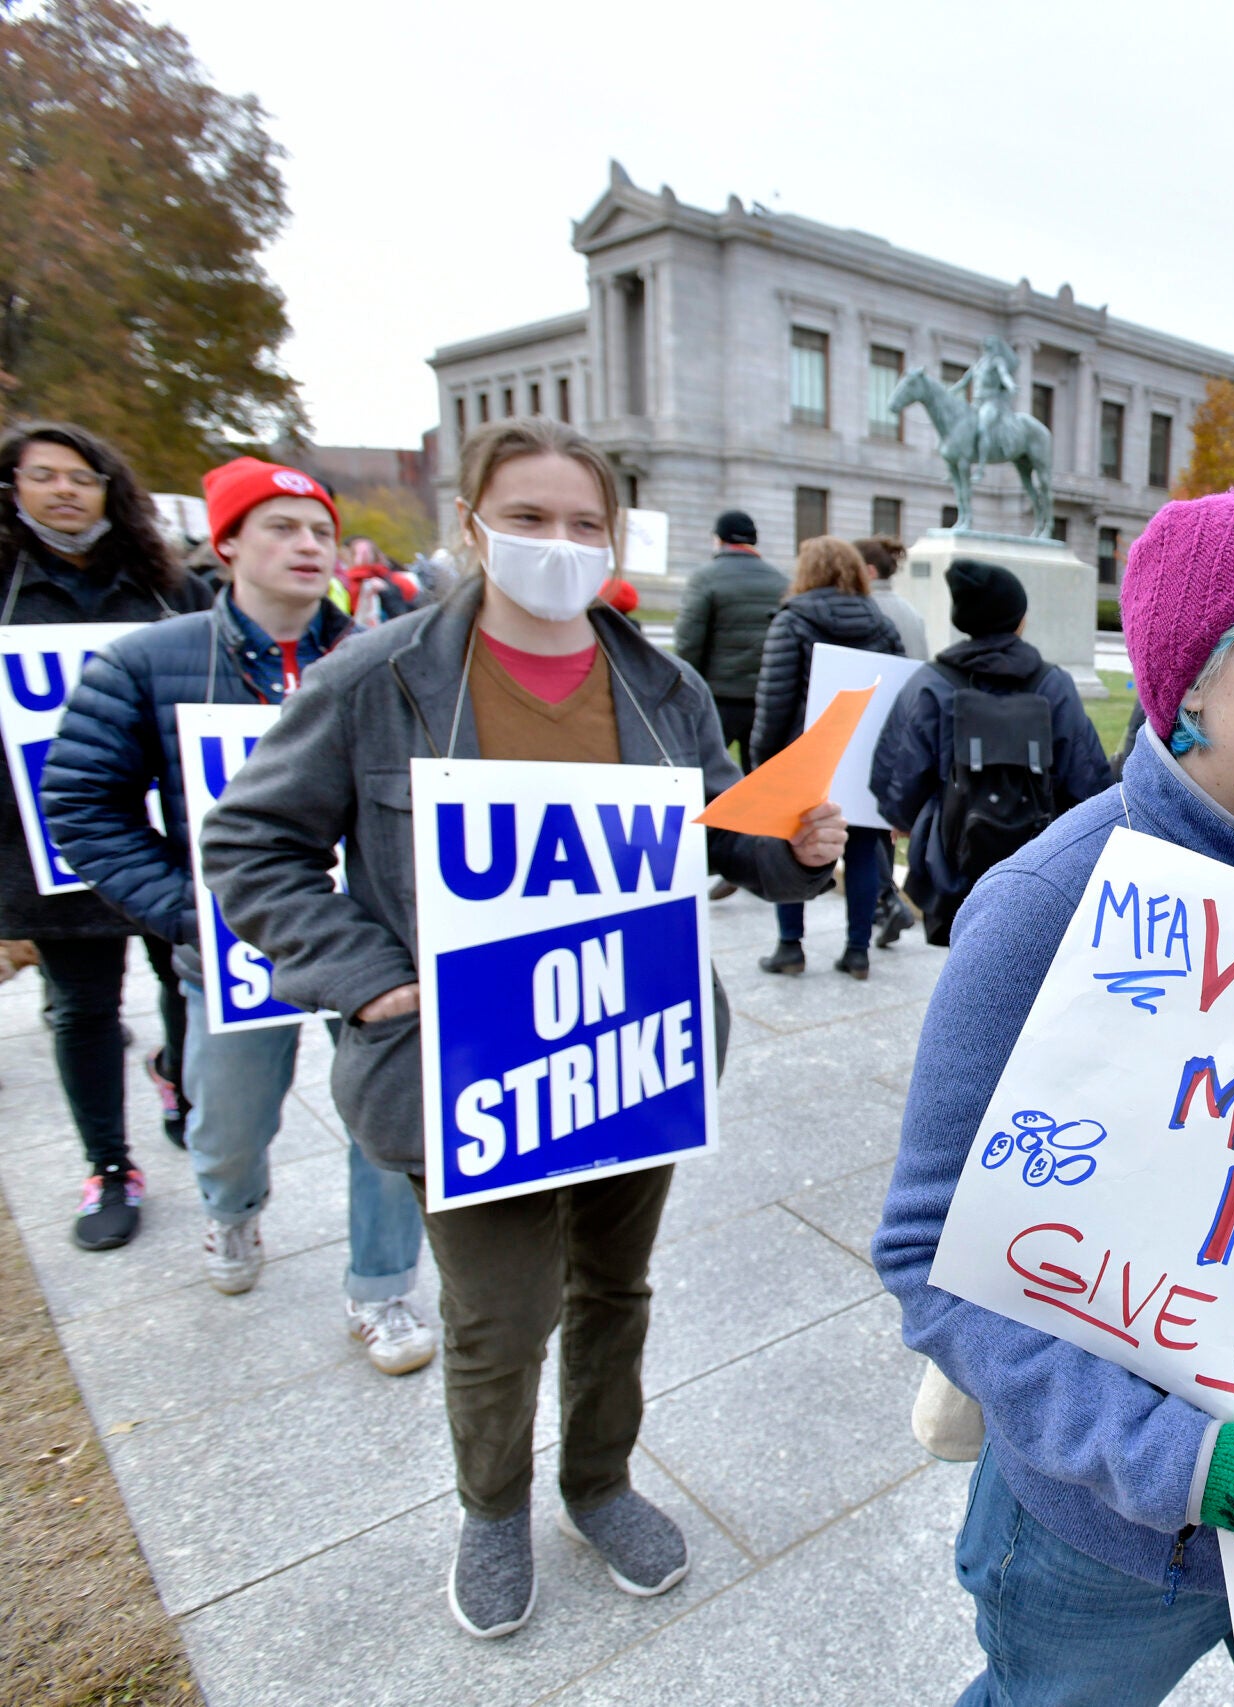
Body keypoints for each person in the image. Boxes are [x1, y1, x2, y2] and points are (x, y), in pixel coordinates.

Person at [200, 418, 846, 1640]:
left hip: (631, 1051)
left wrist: (795, 849)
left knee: (616, 1288)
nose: (559, 544)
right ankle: (491, 1507)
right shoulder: (376, 678)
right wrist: (365, 970)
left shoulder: (663, 689)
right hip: (470, 1069)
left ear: (615, 538)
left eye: (584, 523)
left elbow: (723, 837)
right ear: (475, 528)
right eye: (531, 519)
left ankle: (597, 1484)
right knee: (498, 1314)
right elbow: (248, 842)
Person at [871, 490, 1234, 1705]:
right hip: (1105, 1546)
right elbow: (925, 1248)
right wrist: (1177, 1461)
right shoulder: (1042, 907)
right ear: (1191, 681)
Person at [42, 458, 435, 1372]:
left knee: (390, 1120)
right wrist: (184, 910)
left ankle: (382, 1288)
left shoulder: (389, 662)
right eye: (281, 529)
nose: (308, 548)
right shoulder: (146, 659)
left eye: (321, 533)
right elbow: (83, 804)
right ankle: (231, 1213)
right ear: (225, 544)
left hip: (373, 946)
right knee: (228, 1124)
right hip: (229, 951)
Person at [0, 422, 211, 1249]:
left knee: (185, 980)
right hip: (46, 843)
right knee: (82, 1006)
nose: (64, 491)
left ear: (109, 489)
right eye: (43, 476)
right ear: (13, 488)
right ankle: (109, 1165)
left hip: (166, 833)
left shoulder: (167, 587)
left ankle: (179, 1082)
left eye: (82, 477)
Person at [870, 559, 1111, 945]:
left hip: (950, 869)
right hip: (1037, 867)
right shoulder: (1053, 684)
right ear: (1019, 619)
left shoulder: (931, 683)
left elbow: (897, 786)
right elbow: (1088, 785)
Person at [748, 535, 905, 977]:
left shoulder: (790, 621)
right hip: (863, 757)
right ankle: (858, 951)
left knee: (792, 846)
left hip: (805, 755)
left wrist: (763, 761)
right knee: (859, 852)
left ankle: (789, 947)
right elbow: (899, 699)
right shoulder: (882, 624)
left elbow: (774, 700)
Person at [853, 535, 926, 949]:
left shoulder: (869, 611)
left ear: (867, 570)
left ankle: (886, 898)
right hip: (906, 731)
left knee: (865, 827)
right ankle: (886, 899)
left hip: (871, 729)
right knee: (880, 826)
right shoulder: (910, 613)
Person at [672, 508, 783, 755]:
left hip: (718, 695)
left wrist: (685, 687)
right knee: (757, 778)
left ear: (720, 539)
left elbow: (689, 640)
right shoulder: (780, 580)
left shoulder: (705, 577)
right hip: (765, 697)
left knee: (703, 771)